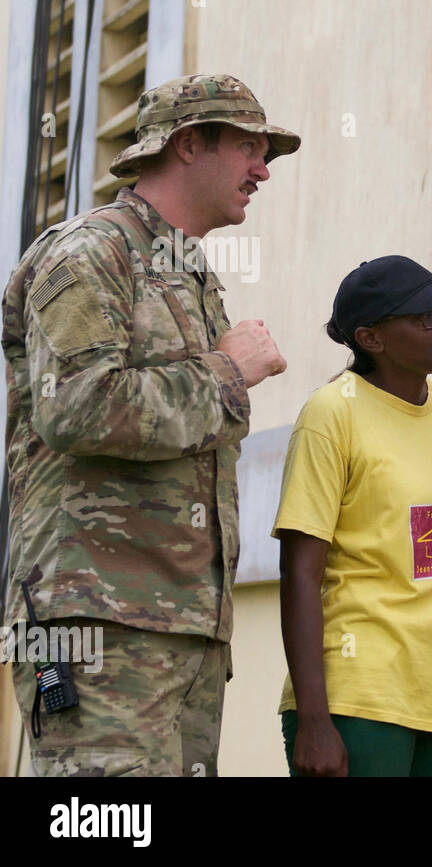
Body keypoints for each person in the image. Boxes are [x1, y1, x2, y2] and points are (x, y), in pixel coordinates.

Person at [1, 74, 297, 776]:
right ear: (188, 144)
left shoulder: (188, 273)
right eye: (250, 147)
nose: (262, 169)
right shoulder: (90, 252)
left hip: (182, 630)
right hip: (96, 628)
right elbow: (76, 404)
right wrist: (228, 373)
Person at [276, 255, 432, 777]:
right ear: (371, 338)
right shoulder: (331, 413)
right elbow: (300, 572)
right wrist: (314, 720)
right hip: (360, 699)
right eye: (425, 316)